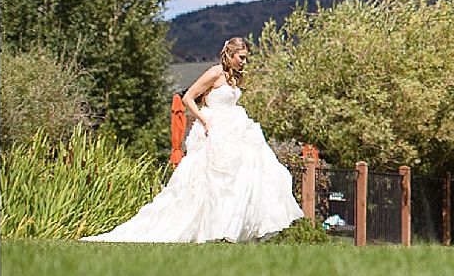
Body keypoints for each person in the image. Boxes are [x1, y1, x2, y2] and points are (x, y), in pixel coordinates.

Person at [83, 37, 302, 242]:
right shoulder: (214, 73)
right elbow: (188, 97)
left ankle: (228, 228)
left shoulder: (234, 77)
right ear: (231, 54)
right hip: (215, 127)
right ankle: (204, 227)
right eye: (241, 57)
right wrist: (204, 120)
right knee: (210, 178)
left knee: (243, 175)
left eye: (246, 58)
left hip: (235, 126)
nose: (244, 62)